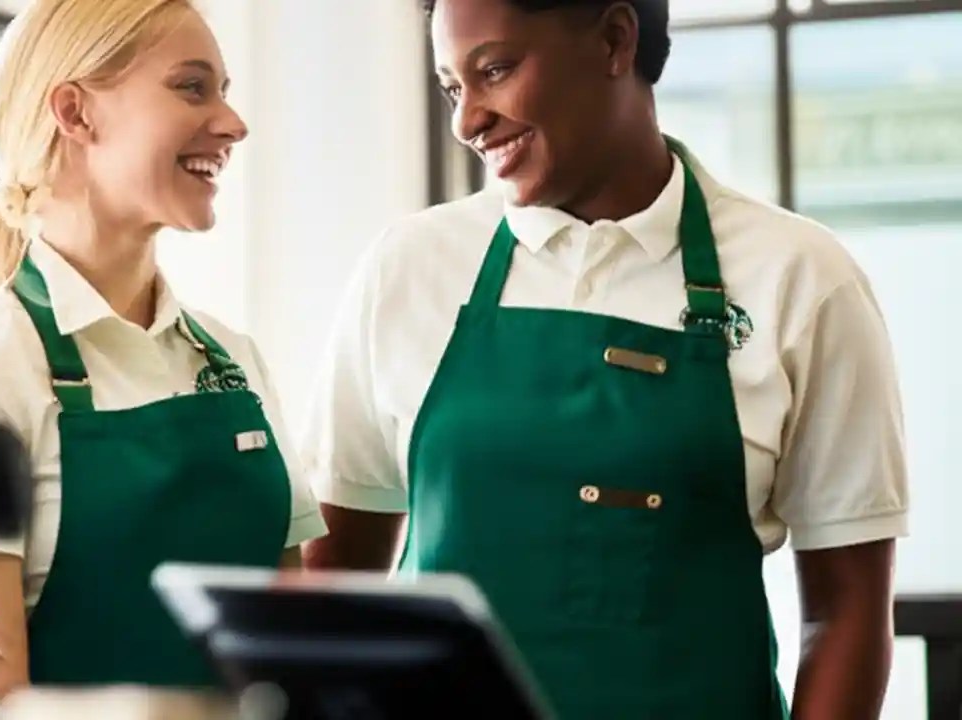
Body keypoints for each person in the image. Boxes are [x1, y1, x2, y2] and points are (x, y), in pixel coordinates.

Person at [300, 1, 906, 718]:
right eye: (451, 87)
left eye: (493, 70)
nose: (468, 120)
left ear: (616, 39)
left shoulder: (801, 278)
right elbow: (336, 584)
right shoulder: (407, 269)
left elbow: (845, 613)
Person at [0, 0, 326, 707]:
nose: (233, 122)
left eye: (224, 90)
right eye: (193, 87)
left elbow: (295, 654)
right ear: (75, 112)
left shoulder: (235, 362)